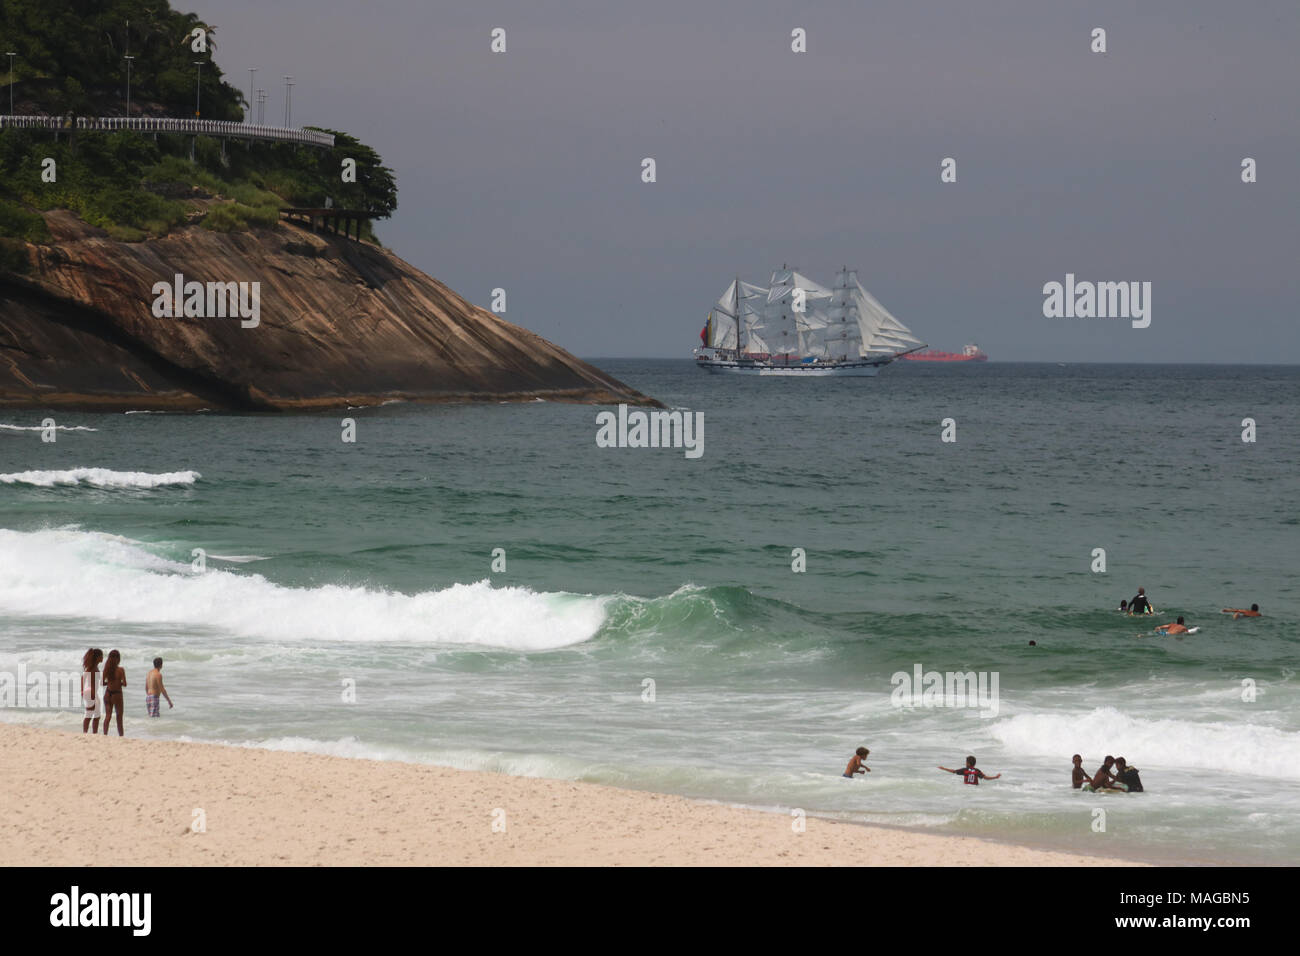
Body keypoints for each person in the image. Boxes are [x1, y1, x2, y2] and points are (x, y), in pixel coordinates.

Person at [100, 649, 126, 737]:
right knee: (119, 717)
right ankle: (121, 736)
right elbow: (125, 684)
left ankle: (105, 734)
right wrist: (119, 683)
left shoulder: (106, 670)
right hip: (117, 694)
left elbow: (102, 683)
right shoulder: (121, 670)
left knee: (108, 716)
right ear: (118, 659)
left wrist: (109, 683)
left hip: (108, 694)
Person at [80, 648, 103, 734]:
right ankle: (86, 732)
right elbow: (85, 678)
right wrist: (85, 692)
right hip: (91, 692)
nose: (102, 658)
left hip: (91, 692)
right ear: (97, 657)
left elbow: (84, 678)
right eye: (101, 656)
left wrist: (82, 691)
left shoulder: (94, 667)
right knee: (90, 714)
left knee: (95, 715)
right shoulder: (92, 668)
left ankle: (93, 732)